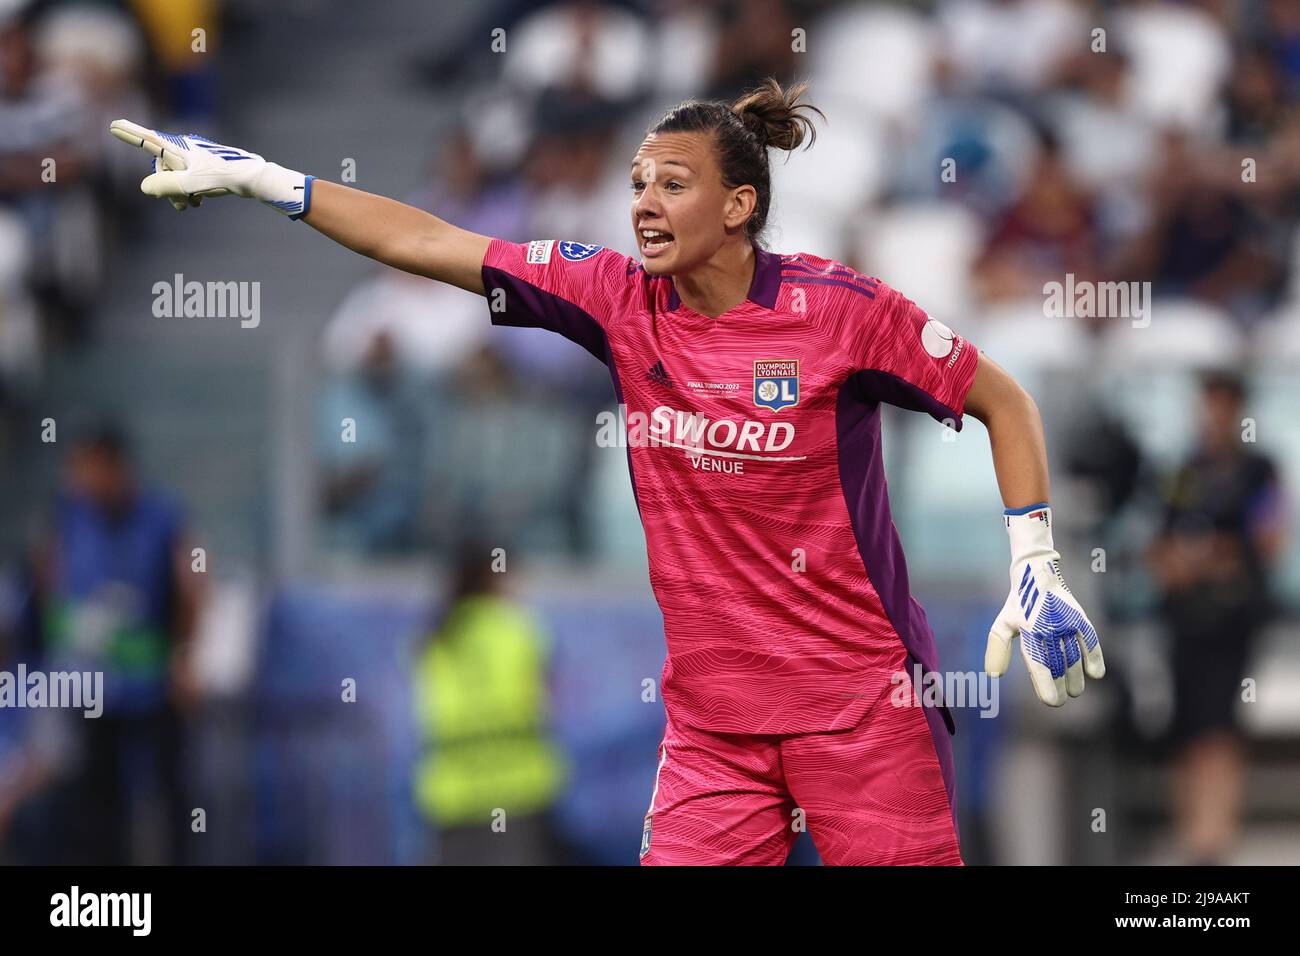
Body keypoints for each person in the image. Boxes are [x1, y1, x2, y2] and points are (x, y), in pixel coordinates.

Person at [107, 76, 1105, 866]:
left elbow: (1001, 398)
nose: (643, 204)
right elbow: (431, 241)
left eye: (672, 183)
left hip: (861, 708)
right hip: (716, 728)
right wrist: (270, 182)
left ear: (739, 203)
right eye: (635, 183)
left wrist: (1035, 556)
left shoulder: (843, 314)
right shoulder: (614, 300)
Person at [1148, 371, 1286, 864]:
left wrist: (1211, 557)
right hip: (1187, 619)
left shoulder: (1258, 469)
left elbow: (1267, 541)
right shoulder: (1186, 470)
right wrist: (1187, 561)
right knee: (1189, 723)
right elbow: (1160, 546)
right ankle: (1193, 833)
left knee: (1221, 723)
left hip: (1234, 618)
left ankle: (1215, 834)